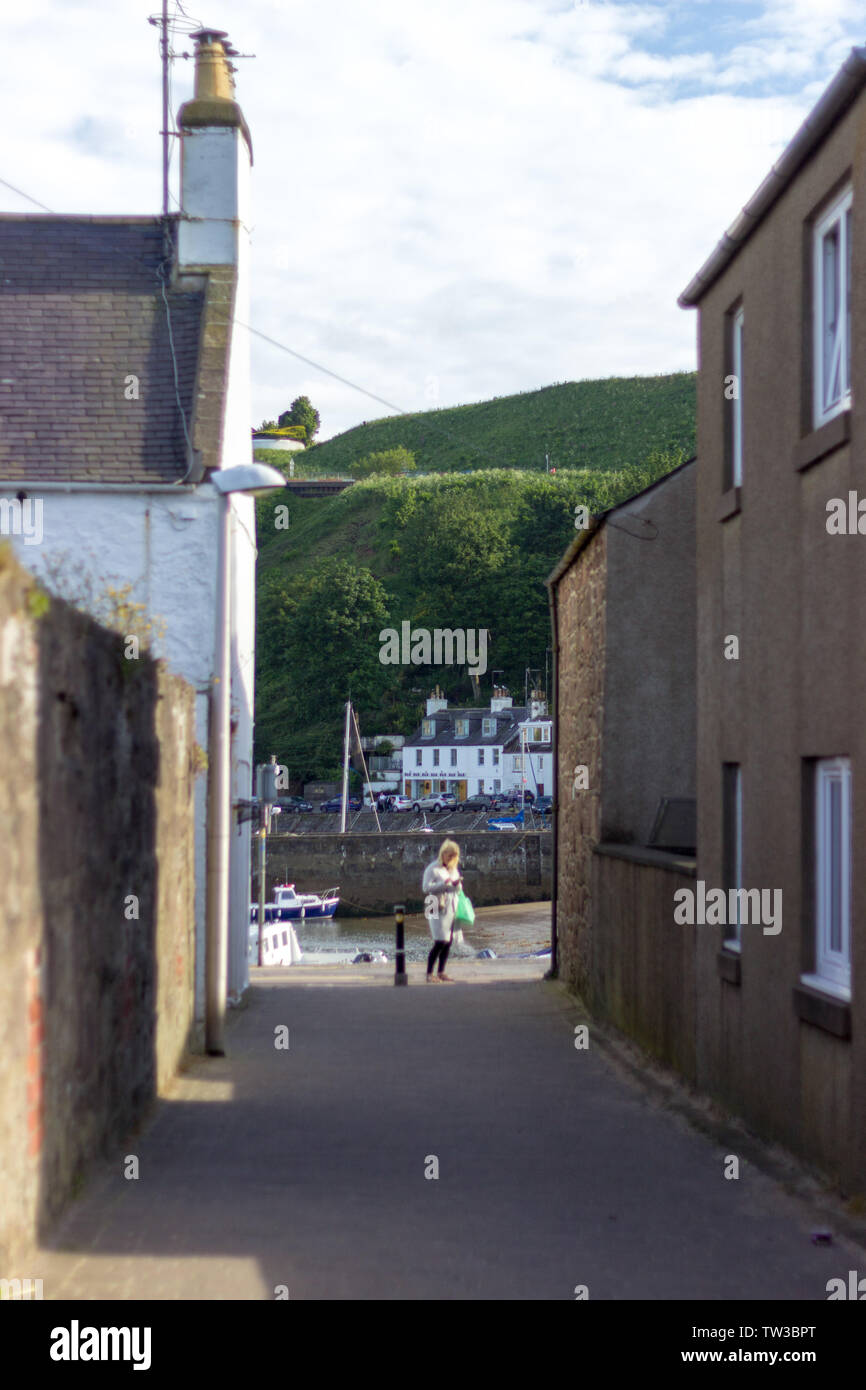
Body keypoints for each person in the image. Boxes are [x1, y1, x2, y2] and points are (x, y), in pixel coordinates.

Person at [422, 839, 462, 983]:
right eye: (449, 855)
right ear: (443, 853)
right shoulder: (433, 868)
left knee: (448, 941)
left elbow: (458, 889)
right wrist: (443, 884)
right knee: (440, 941)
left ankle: (441, 972)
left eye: (454, 856)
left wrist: (456, 885)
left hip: (450, 907)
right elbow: (426, 888)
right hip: (435, 904)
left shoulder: (453, 869)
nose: (451, 859)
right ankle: (429, 974)